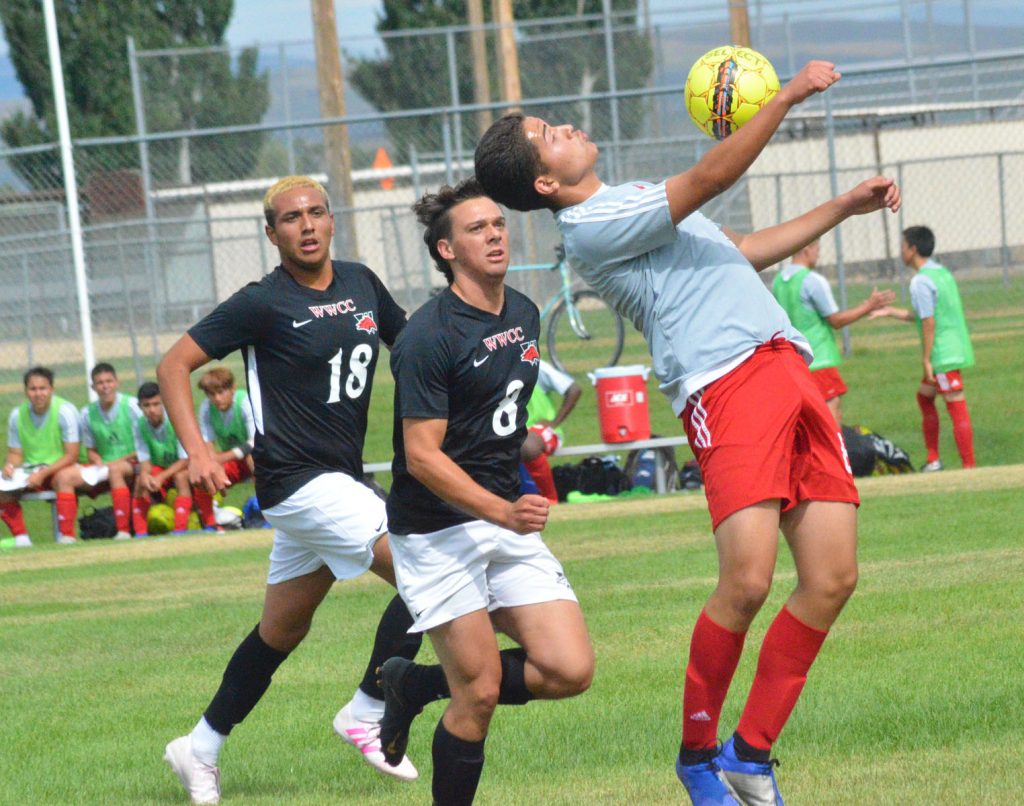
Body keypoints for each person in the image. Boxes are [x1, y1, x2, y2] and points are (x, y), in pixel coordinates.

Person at [474, 60, 901, 806]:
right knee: (747, 581)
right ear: (544, 183)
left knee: (833, 578)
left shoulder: (630, 199)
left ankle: (751, 754)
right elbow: (707, 178)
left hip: (785, 368)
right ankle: (698, 756)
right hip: (723, 383)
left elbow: (739, 248)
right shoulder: (588, 228)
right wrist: (789, 96)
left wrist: (844, 205)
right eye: (549, 134)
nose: (567, 126)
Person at [157, 175, 422, 806]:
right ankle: (367, 709)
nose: (305, 225)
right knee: (431, 570)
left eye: (316, 212)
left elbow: (411, 348)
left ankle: (200, 746)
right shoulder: (261, 302)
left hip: (341, 480)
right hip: (296, 482)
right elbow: (173, 366)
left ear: (332, 221)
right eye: (290, 217)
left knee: (282, 630)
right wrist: (196, 450)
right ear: (270, 233)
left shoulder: (362, 283)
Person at [377, 178, 594, 806]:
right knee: (477, 694)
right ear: (447, 251)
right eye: (476, 228)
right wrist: (505, 508)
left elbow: (499, 413)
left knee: (569, 670)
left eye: (497, 224)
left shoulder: (522, 312)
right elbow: (421, 456)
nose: (495, 234)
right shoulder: (427, 337)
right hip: (437, 530)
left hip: (501, 520)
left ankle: (415, 686)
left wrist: (525, 444)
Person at [870, 225, 976, 471]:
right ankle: (933, 460)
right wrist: (890, 312)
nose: (900, 251)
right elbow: (924, 314)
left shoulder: (920, 281)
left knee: (955, 403)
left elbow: (929, 321)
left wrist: (927, 359)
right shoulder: (942, 273)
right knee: (924, 397)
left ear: (913, 249)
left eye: (903, 246)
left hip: (942, 354)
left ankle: (969, 467)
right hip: (954, 346)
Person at [771, 240, 895, 424]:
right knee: (830, 418)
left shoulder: (778, 281)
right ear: (807, 248)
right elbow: (836, 320)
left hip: (792, 361)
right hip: (819, 359)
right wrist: (869, 306)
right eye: (818, 249)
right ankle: (836, 453)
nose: (818, 255)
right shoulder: (812, 281)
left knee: (805, 422)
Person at [52, 362, 141, 541]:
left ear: (117, 382)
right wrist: (97, 460)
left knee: (116, 470)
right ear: (93, 387)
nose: (105, 386)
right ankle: (67, 536)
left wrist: (116, 462)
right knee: (63, 477)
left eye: (109, 381)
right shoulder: (87, 413)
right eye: (100, 383)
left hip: (134, 463)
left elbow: (144, 446)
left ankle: (123, 531)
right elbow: (91, 450)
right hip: (105, 468)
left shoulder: (132, 406)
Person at [0, 367, 81, 547]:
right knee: (1, 485)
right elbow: (15, 454)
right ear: (26, 391)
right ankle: (22, 540)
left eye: (43, 388)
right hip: (31, 471)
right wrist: (10, 466)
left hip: (61, 469)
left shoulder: (64, 411)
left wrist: (43, 474)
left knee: (64, 478)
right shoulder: (17, 415)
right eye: (33, 389)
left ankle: (67, 537)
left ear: (51, 389)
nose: (38, 393)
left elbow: (72, 455)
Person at [192, 366, 256, 531]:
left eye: (221, 392)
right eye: (211, 394)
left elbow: (255, 442)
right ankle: (211, 525)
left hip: (258, 457)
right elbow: (208, 446)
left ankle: (266, 516)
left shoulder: (245, 401)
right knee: (202, 472)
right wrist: (211, 462)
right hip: (233, 461)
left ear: (232, 388)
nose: (217, 398)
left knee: (253, 458)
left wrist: (221, 458)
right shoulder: (207, 408)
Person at [130, 381, 192, 536]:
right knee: (140, 481)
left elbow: (186, 459)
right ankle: (140, 533)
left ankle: (181, 530)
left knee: (181, 477)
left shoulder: (175, 420)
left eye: (156, 404)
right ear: (140, 406)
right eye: (146, 405)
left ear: (164, 402)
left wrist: (161, 477)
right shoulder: (139, 425)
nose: (152, 410)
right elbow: (144, 460)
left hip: (183, 468)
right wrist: (145, 474)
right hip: (161, 470)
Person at [521, 359, 582, 502]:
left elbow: (574, 389)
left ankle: (550, 499)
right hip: (506, 431)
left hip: (540, 431)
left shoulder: (531, 362)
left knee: (526, 446)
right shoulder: (488, 366)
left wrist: (554, 423)